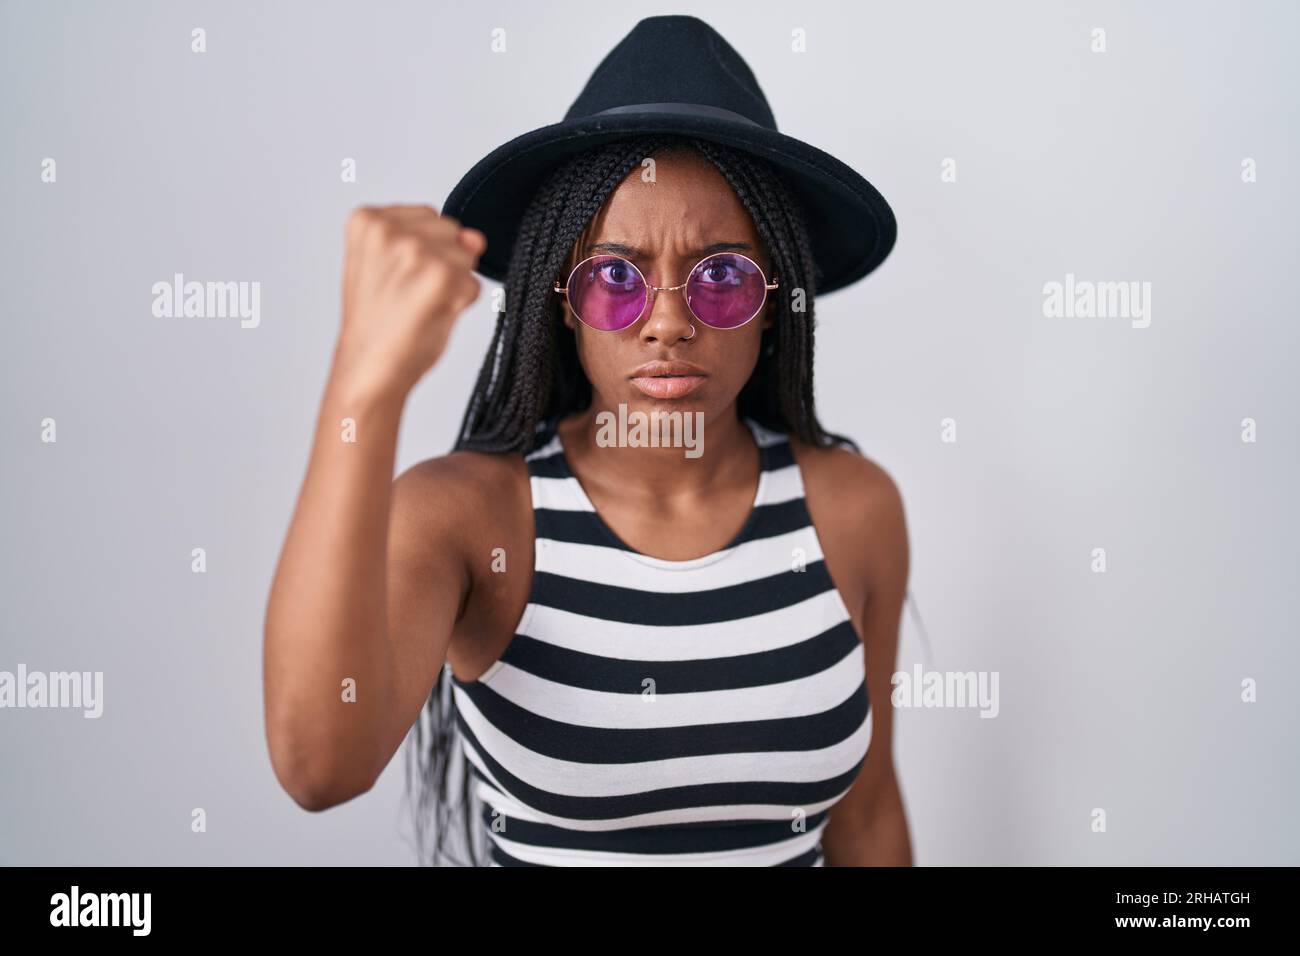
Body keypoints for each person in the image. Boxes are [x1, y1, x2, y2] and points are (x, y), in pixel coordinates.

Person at [264, 15, 912, 866]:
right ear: (562, 301)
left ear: (777, 298)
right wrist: (363, 386)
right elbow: (319, 766)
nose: (670, 321)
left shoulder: (851, 508)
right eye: (615, 275)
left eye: (722, 274)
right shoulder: (469, 518)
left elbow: (866, 820)